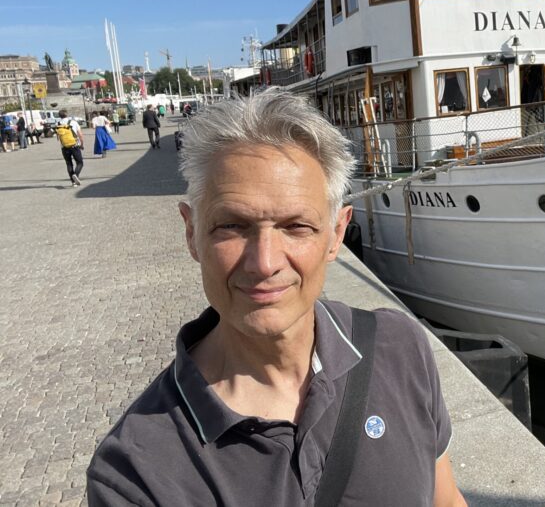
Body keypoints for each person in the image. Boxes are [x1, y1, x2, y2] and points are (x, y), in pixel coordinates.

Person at [87, 90, 466, 506]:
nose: (264, 263)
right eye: (231, 225)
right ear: (191, 232)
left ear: (336, 234)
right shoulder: (136, 473)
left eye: (296, 226)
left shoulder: (399, 349)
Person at [56, 109, 85, 186]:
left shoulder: (58, 124)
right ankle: (76, 174)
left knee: (69, 164)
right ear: (67, 114)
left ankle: (73, 182)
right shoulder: (73, 122)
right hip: (74, 145)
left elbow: (58, 138)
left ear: (59, 116)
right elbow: (80, 135)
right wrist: (82, 144)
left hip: (64, 146)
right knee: (80, 162)